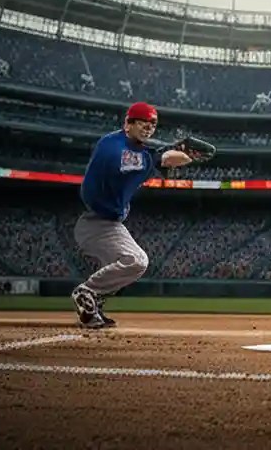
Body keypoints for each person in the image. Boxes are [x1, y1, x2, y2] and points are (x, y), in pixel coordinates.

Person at [72, 102, 193, 328]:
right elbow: (127, 162)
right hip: (93, 221)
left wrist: (186, 155)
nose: (148, 127)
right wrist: (162, 155)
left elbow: (168, 158)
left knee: (122, 271)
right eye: (142, 122)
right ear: (127, 124)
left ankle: (92, 306)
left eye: (153, 124)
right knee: (136, 261)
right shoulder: (112, 143)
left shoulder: (141, 150)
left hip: (109, 223)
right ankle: (86, 292)